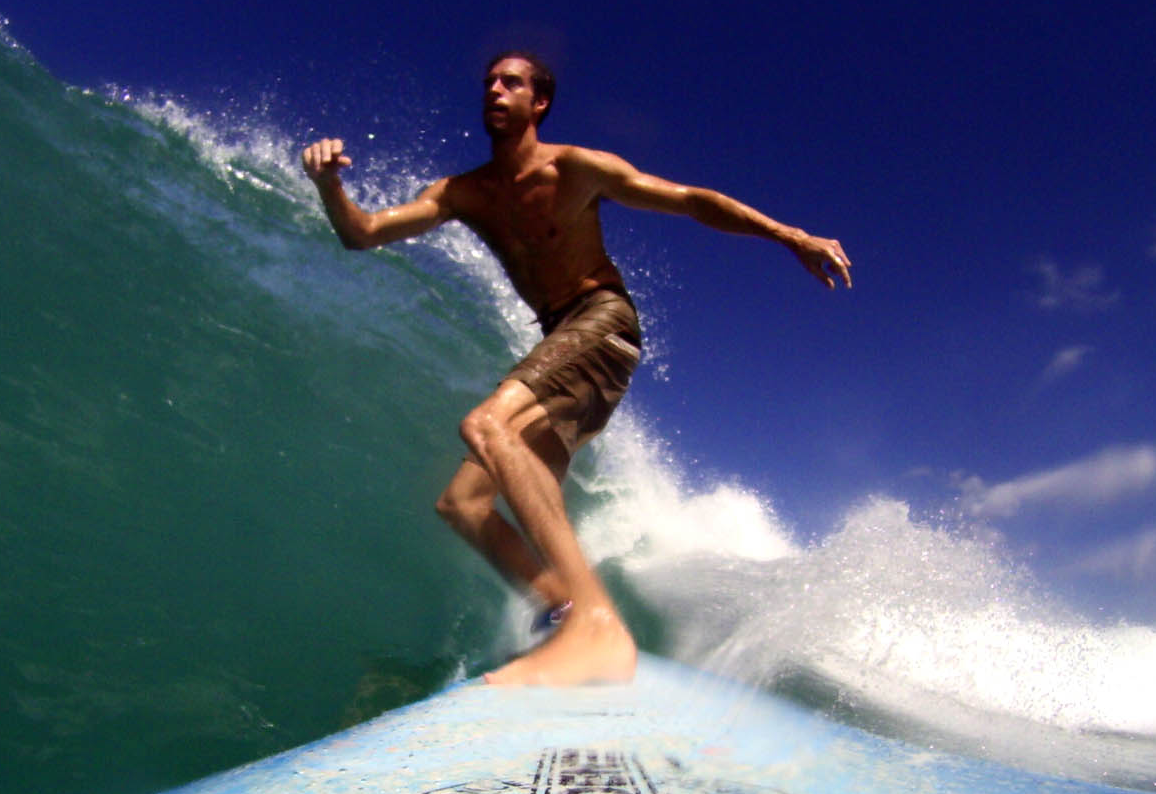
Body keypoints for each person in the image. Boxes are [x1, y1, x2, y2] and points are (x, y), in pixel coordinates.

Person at [300, 52, 850, 686]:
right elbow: (364, 233)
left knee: (488, 426)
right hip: (562, 340)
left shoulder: (576, 168)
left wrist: (791, 236)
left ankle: (596, 627)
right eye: (488, 83)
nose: (495, 90)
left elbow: (692, 201)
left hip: (603, 321)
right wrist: (328, 187)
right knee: (464, 503)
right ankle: (564, 608)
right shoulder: (463, 193)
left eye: (511, 82)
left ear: (539, 104)